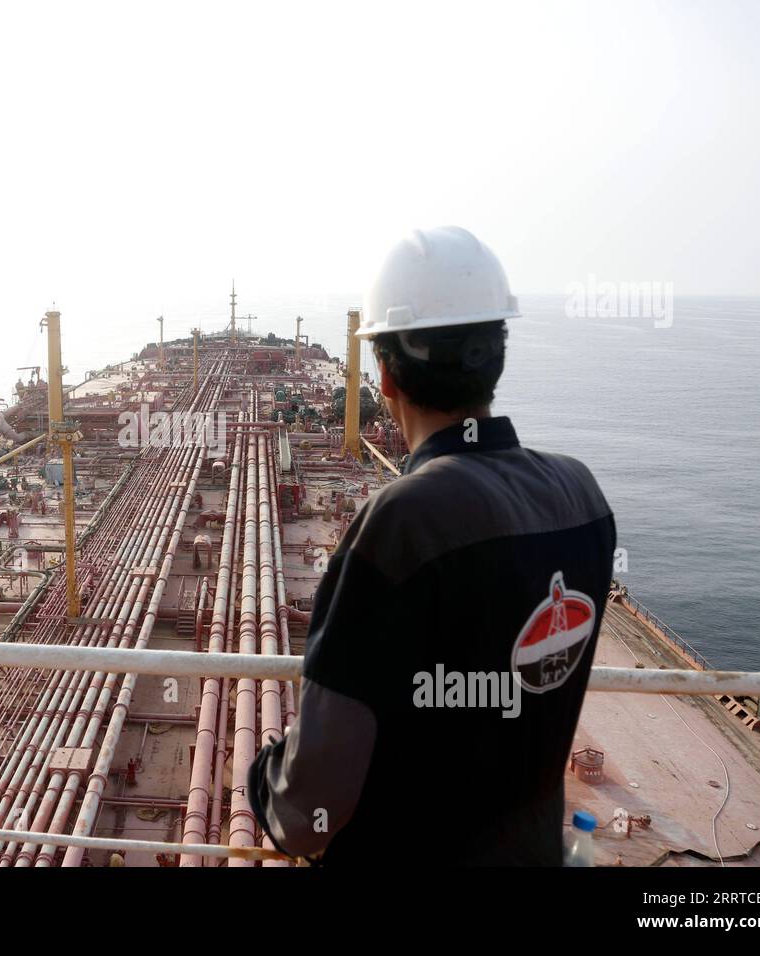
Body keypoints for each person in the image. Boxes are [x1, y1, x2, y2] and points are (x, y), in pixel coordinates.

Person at [248, 226, 616, 865]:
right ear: (496, 361)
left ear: (385, 376)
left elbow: (310, 811)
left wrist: (260, 779)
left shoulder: (399, 525)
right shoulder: (582, 499)